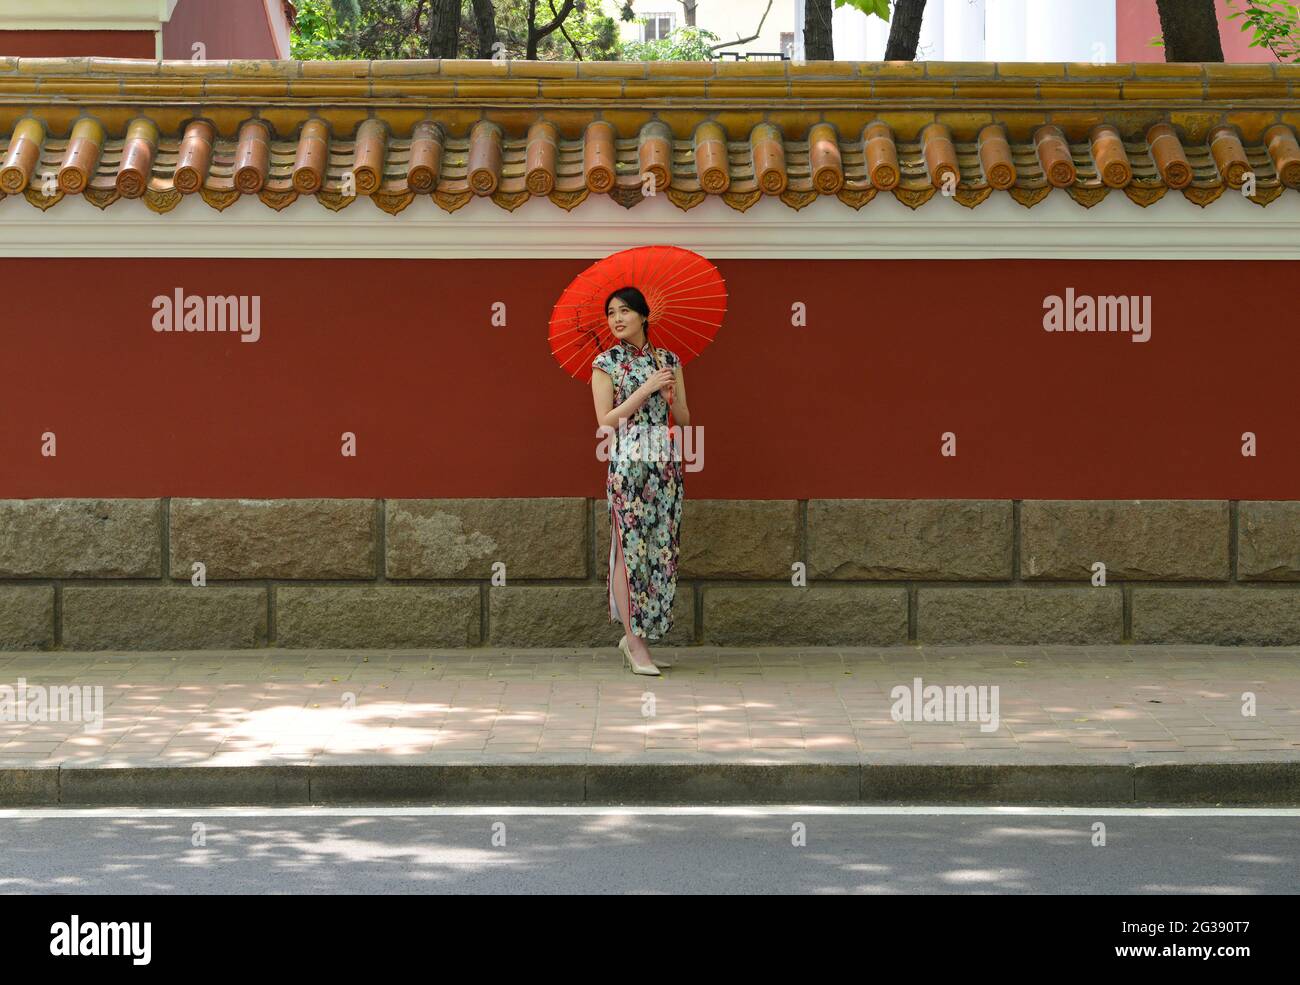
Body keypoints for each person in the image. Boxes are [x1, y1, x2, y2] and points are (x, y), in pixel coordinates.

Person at [589, 286, 690, 675]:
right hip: (627, 461)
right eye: (610, 312)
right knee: (628, 549)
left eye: (625, 311)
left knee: (659, 550)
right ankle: (633, 642)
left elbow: (684, 419)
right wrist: (644, 390)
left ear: (644, 316)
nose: (616, 318)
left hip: (664, 463)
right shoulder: (606, 363)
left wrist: (668, 397)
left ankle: (640, 637)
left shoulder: (669, 360)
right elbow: (605, 420)